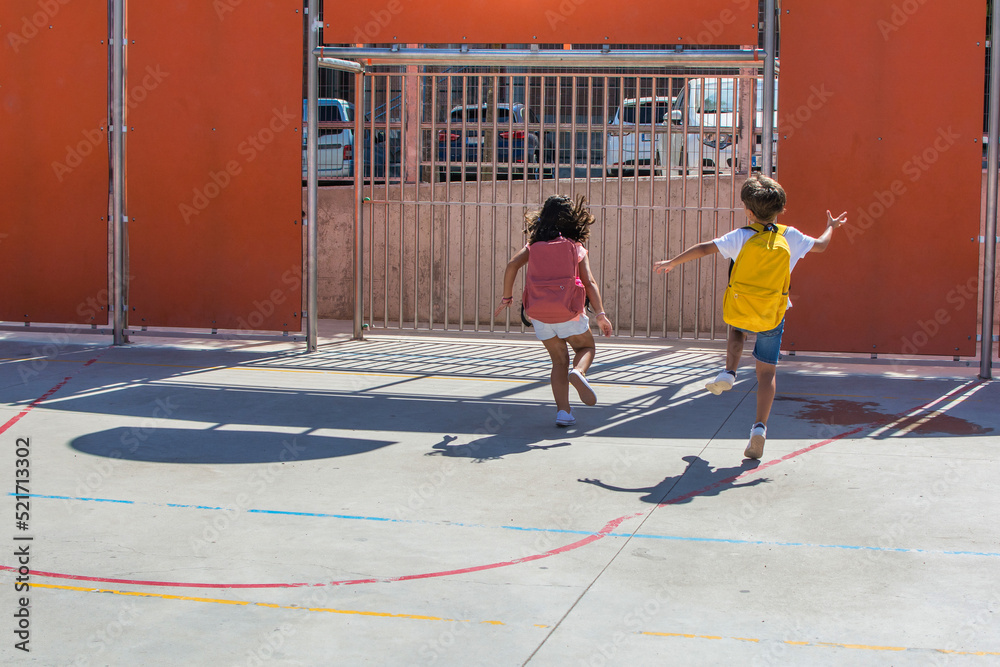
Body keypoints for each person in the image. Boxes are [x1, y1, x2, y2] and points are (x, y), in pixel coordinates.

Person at [653, 175, 847, 459]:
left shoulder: (742, 236)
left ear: (749, 211)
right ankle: (759, 428)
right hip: (773, 313)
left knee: (736, 329)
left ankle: (728, 372)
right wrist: (831, 227)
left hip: (742, 308)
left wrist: (673, 262)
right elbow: (820, 245)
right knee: (766, 373)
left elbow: (705, 248)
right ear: (780, 208)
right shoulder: (790, 236)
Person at [494, 195, 614, 427]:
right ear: (571, 219)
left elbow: (511, 265)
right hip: (568, 311)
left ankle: (563, 413)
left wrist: (507, 297)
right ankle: (579, 373)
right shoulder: (575, 247)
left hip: (539, 314)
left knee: (559, 362)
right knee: (586, 346)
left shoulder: (533, 246)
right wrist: (600, 314)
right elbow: (589, 282)